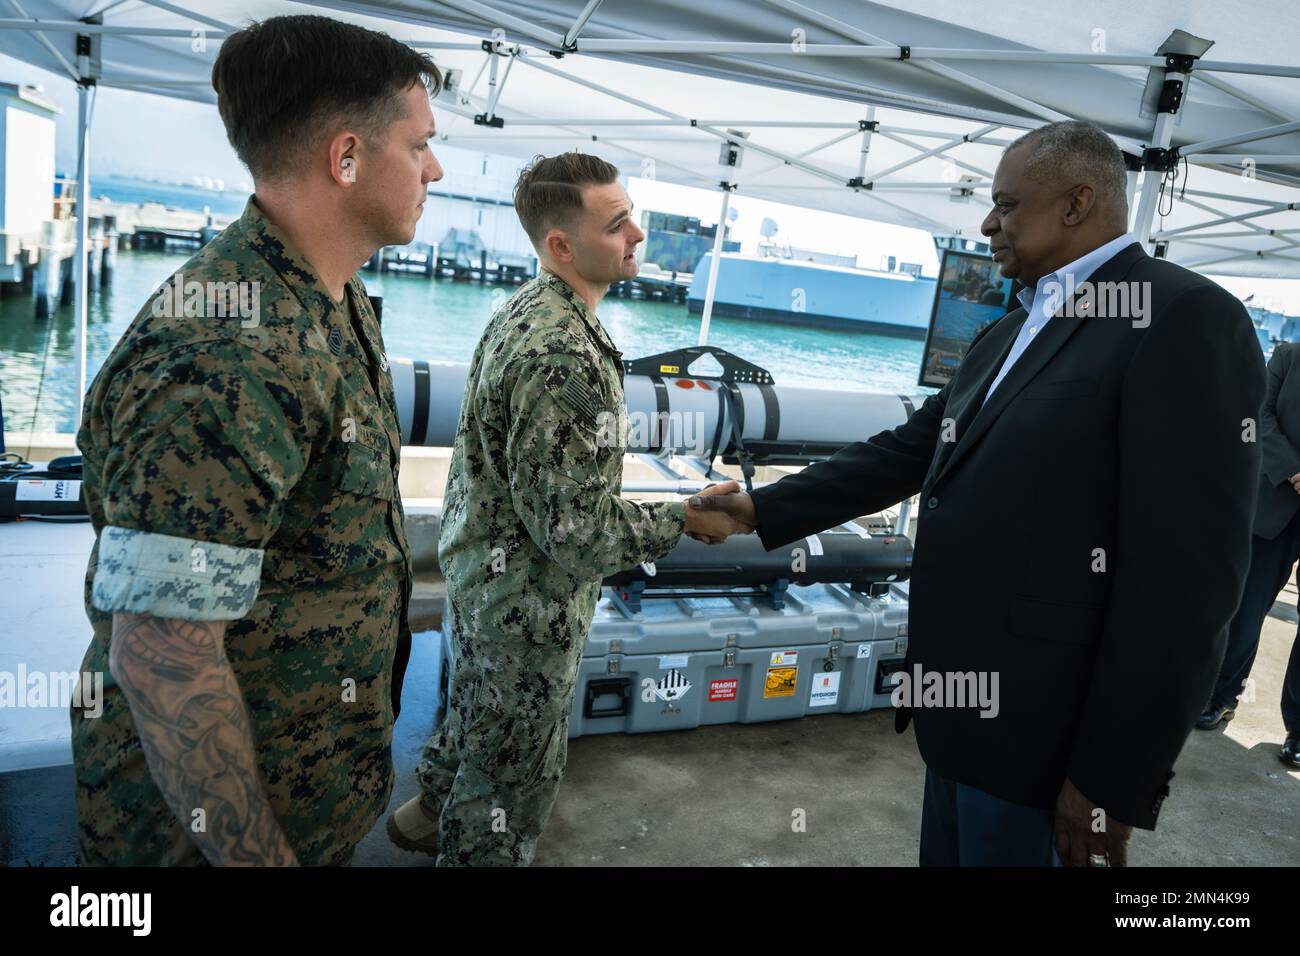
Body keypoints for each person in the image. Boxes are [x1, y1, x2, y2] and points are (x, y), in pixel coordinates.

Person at [690, 120, 1266, 866]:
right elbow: (914, 448)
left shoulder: (1184, 317)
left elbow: (1188, 581)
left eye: (1006, 204)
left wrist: (1112, 778)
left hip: (1047, 744)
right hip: (958, 717)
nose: (988, 224)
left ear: (1076, 202)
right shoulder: (1012, 326)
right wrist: (765, 507)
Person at [71, 14, 443, 865]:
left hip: (305, 790)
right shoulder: (225, 349)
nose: (435, 167)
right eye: (419, 144)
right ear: (345, 157)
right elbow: (163, 656)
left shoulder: (326, 301)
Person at [387, 152, 736, 865]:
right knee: (510, 778)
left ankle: (427, 814)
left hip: (483, 580)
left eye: (631, 215)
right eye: (617, 225)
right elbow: (576, 534)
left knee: (474, 721)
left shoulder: (523, 309)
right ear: (562, 245)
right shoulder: (564, 355)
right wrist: (685, 518)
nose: (638, 234)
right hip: (526, 608)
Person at [1197, 342, 1300, 768]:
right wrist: (1293, 471)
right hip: (1277, 497)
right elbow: (1260, 415)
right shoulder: (1289, 357)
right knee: (1245, 605)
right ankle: (1222, 695)